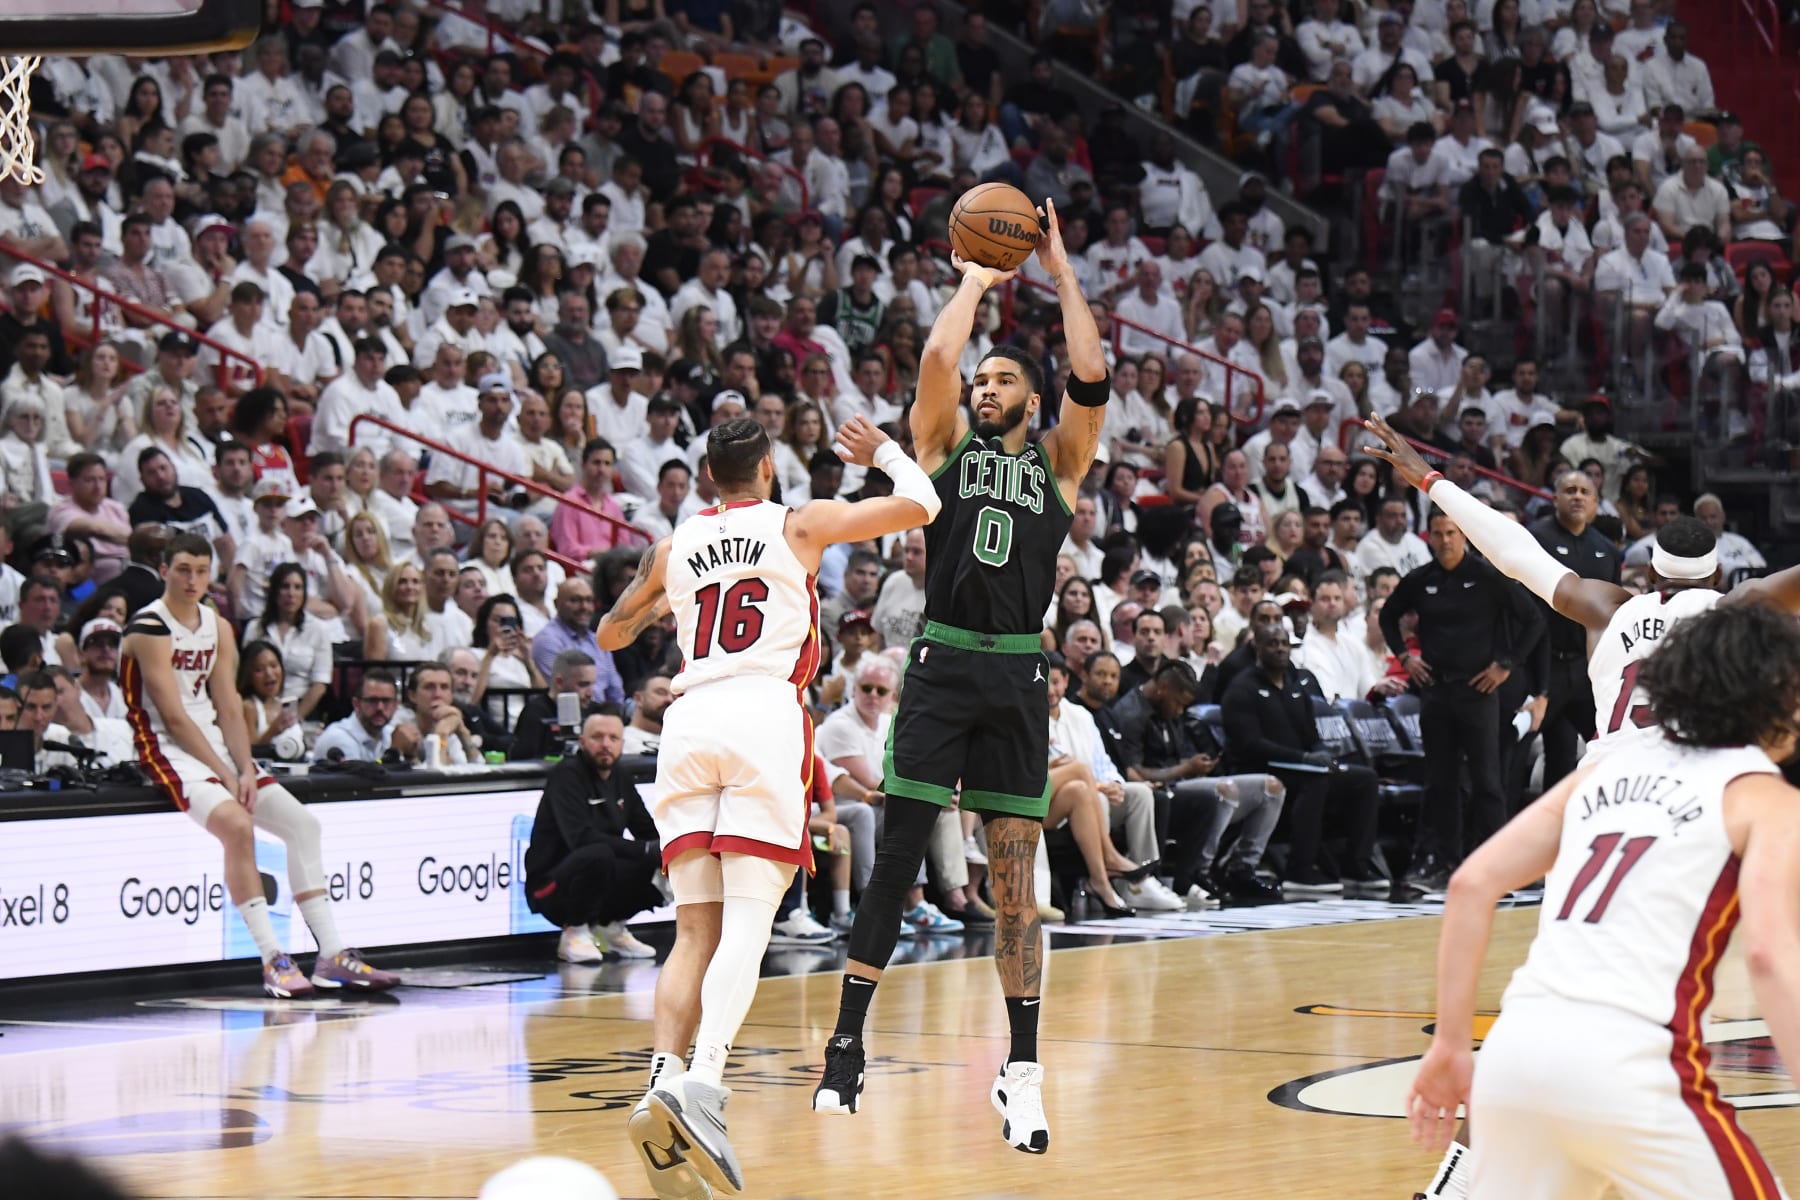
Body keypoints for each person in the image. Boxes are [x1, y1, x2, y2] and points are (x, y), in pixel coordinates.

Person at [1362, 412, 1800, 1198]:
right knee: (1655, 971)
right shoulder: (1742, 624)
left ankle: (1470, 1168)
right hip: (1696, 799)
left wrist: (1432, 482)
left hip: (1600, 795)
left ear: (1649, 571)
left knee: (1566, 973)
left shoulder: (1613, 606)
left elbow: (1516, 550)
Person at [813, 200, 1104, 1156]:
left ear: (1032, 398)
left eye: (1004, 379)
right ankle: (846, 1044)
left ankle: (1021, 1075)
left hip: (1019, 674)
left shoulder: (1062, 463)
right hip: (941, 663)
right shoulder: (942, 449)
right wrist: (976, 278)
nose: (986, 386)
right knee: (897, 857)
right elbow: (938, 365)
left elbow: (1092, 375)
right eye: (984, 379)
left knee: (1017, 881)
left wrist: (1056, 270)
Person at [598, 412, 942, 1199]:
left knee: (694, 930)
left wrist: (661, 607)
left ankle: (662, 1078)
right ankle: (703, 1088)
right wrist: (884, 452)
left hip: (686, 722)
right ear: (765, 471)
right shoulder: (801, 522)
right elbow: (923, 505)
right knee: (750, 922)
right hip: (761, 713)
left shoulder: (672, 544)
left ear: (712, 476)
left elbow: (613, 634)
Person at [1406, 604, 1800, 1200]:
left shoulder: (1604, 769)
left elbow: (1470, 885)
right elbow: (1769, 957)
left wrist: (1451, 1044)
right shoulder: (1762, 798)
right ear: (1771, 694)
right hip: (1633, 1065)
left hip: (1516, 1056)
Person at [120, 533, 397, 999]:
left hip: (217, 746)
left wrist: (244, 766)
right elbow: (172, 715)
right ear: (164, 570)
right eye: (183, 569)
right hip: (164, 745)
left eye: (202, 571)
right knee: (238, 827)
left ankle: (332, 955)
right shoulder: (148, 627)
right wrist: (227, 775)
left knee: (303, 825)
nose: (193, 580)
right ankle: (274, 959)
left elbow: (228, 704)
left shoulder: (219, 625)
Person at [1380, 511, 1543, 890]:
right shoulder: (1421, 580)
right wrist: (1405, 658)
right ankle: (1444, 861)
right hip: (1436, 691)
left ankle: (1498, 863)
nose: (1445, 540)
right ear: (1430, 538)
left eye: (1451, 533)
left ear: (1464, 535)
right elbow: (1389, 616)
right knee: (1440, 780)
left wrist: (1505, 665)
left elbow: (1533, 620)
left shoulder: (1487, 576)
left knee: (1487, 780)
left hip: (1479, 693)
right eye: (1437, 534)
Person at [522, 708, 665, 964]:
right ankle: (574, 933)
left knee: (663, 856)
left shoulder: (620, 776)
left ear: (623, 743)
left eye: (613, 738)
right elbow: (581, 838)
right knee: (599, 854)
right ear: (582, 741)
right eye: (597, 737)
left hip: (600, 878)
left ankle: (612, 927)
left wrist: (669, 850)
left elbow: (646, 829)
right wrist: (645, 850)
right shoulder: (566, 776)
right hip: (549, 887)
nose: (605, 744)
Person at [311, 668, 401, 763]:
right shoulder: (338, 737)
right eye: (372, 701)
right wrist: (396, 751)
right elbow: (364, 776)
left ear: (396, 705)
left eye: (386, 701)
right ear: (356, 704)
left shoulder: (390, 734)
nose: (380, 707)